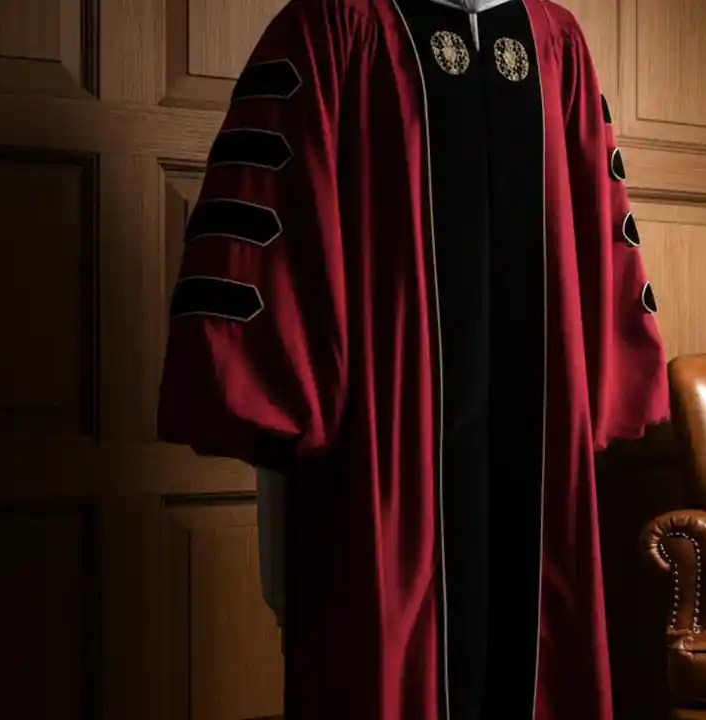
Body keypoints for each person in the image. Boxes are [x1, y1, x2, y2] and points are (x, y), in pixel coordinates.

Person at [156, 1, 668, 718]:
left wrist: (599, 385)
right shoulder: (336, 26)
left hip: (535, 445)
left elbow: (595, 226)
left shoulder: (555, 42)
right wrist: (293, 399)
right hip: (378, 443)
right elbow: (281, 226)